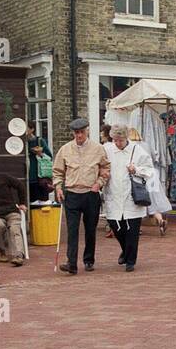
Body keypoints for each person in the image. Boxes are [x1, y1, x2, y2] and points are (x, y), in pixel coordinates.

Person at [52, 117, 110, 275]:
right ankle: (71, 263)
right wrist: (58, 187)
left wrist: (99, 183)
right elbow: (57, 171)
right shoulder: (65, 149)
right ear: (73, 133)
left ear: (87, 131)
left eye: (82, 132)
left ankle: (89, 260)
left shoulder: (98, 148)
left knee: (91, 229)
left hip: (90, 194)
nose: (79, 136)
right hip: (72, 193)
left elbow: (105, 168)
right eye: (76, 133)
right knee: (72, 230)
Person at [102, 123, 153, 272]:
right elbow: (99, 165)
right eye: (115, 140)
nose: (117, 143)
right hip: (113, 193)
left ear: (126, 138)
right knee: (116, 225)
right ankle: (125, 250)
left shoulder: (138, 150)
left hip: (131, 195)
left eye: (120, 140)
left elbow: (149, 170)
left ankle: (131, 260)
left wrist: (136, 169)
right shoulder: (106, 149)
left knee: (132, 229)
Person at [23, 125, 50, 203]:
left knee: (40, 204)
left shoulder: (40, 141)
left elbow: (49, 157)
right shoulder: (20, 142)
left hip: (39, 179)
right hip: (25, 178)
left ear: (32, 129)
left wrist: (40, 153)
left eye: (26, 129)